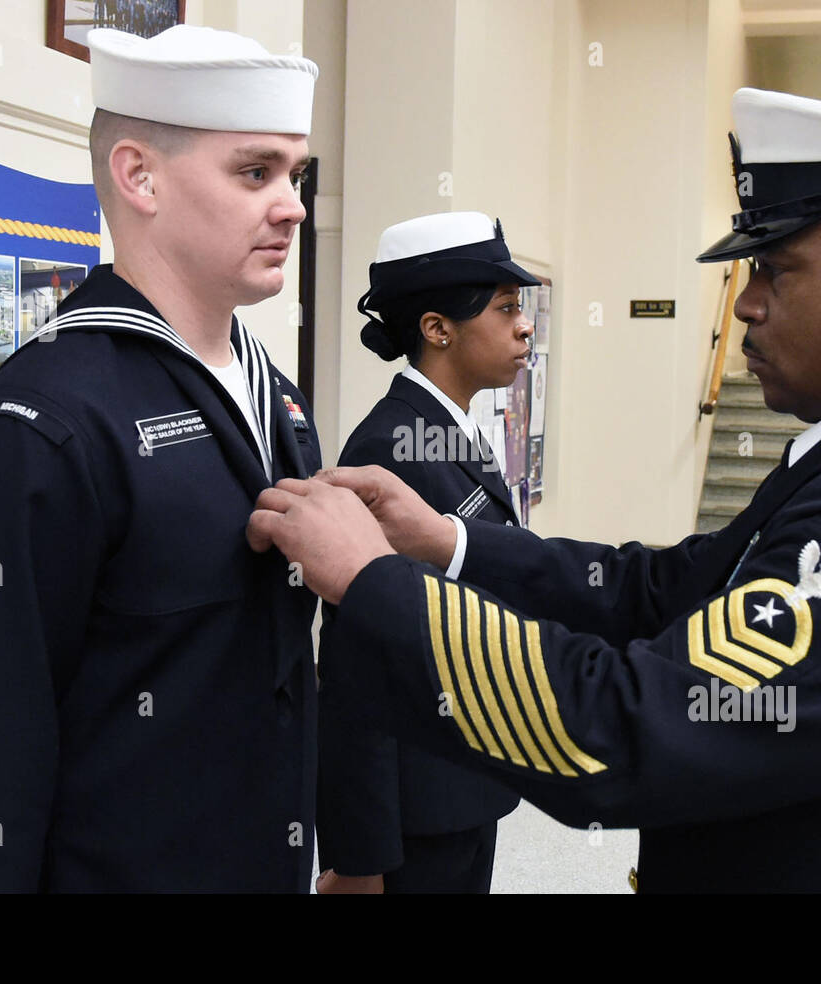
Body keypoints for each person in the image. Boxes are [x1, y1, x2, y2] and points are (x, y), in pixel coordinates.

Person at [247, 88, 821, 892]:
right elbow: (667, 589)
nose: (748, 305)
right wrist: (451, 545)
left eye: (775, 270)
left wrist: (372, 583)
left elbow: (631, 729)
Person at [0, 25, 323, 892]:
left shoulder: (270, 392)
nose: (293, 207)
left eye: (296, 176)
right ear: (139, 176)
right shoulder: (36, 426)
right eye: (255, 171)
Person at [317, 212, 539, 894]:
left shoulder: (453, 430)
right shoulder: (389, 450)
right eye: (505, 310)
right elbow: (360, 661)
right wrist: (360, 856)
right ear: (438, 329)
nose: (524, 326)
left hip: (467, 780)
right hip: (416, 814)